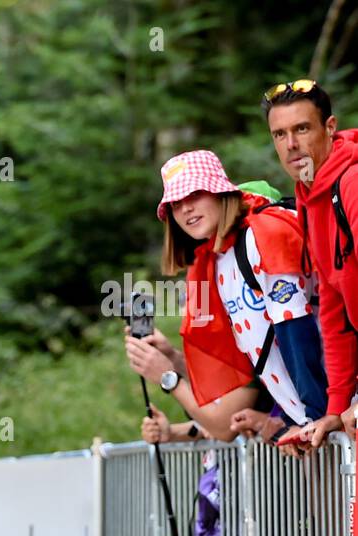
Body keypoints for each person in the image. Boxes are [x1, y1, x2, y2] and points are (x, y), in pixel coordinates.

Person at [127, 150, 325, 447]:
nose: (186, 210)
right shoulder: (216, 260)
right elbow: (252, 362)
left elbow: (297, 329)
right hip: (313, 427)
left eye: (195, 194)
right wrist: (175, 360)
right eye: (175, 204)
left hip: (335, 416)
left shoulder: (261, 233)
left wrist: (320, 415)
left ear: (220, 191)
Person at [258, 81, 358, 450]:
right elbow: (335, 313)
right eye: (279, 134)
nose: (291, 144)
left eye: (302, 129)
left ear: (329, 128)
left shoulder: (352, 182)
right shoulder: (310, 199)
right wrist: (336, 407)